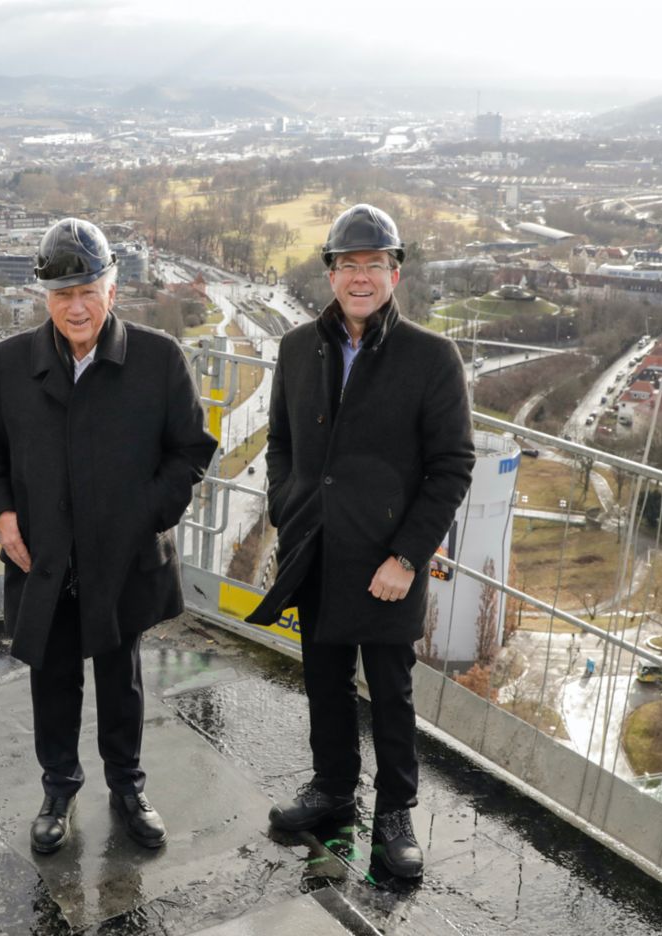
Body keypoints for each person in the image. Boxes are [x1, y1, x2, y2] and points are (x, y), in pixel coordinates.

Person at [0, 218, 216, 854]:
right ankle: (58, 788)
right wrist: (1, 517)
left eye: (88, 290)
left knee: (120, 675)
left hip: (124, 555)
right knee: (51, 677)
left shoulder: (158, 360)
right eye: (61, 294)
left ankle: (128, 787)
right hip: (44, 555)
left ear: (113, 287)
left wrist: (145, 516)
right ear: (43, 298)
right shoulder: (9, 363)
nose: (76, 307)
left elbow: (190, 450)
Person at [247, 203, 475, 879]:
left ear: (395, 274)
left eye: (375, 264)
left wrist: (407, 556)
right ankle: (333, 789)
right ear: (331, 274)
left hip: (386, 563)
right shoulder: (296, 348)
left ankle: (396, 813)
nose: (361, 277)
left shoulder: (431, 358)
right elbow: (281, 441)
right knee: (322, 679)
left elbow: (451, 466)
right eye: (348, 265)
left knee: (391, 691)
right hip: (316, 548)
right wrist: (288, 509)